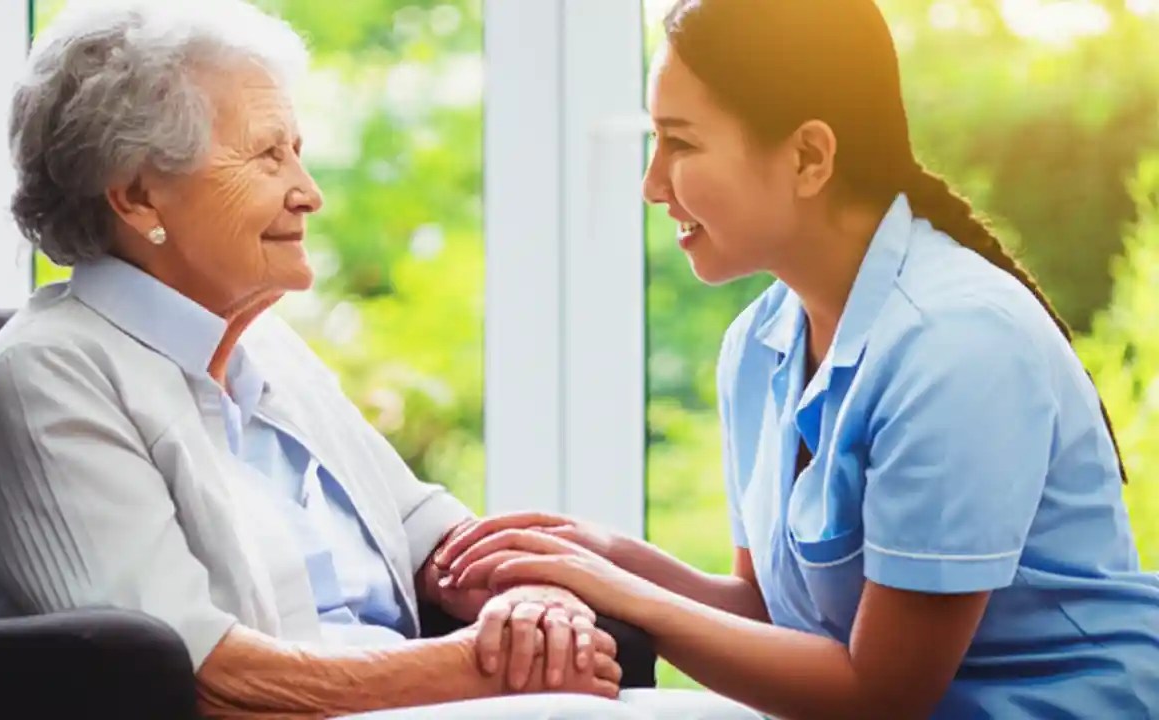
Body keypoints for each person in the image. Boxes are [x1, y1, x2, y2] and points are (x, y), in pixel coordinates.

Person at [0, 1, 754, 717]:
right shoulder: (42, 381)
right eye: (269, 155)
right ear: (135, 195)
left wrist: (538, 604)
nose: (309, 190)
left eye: (300, 152)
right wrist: (485, 667)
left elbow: (450, 550)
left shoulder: (262, 345)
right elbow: (205, 679)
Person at [435, 1, 1159, 718]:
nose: (652, 185)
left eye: (680, 144)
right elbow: (769, 615)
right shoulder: (760, 345)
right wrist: (605, 554)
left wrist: (622, 593)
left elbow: (879, 695)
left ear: (810, 156)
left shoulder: (960, 345)